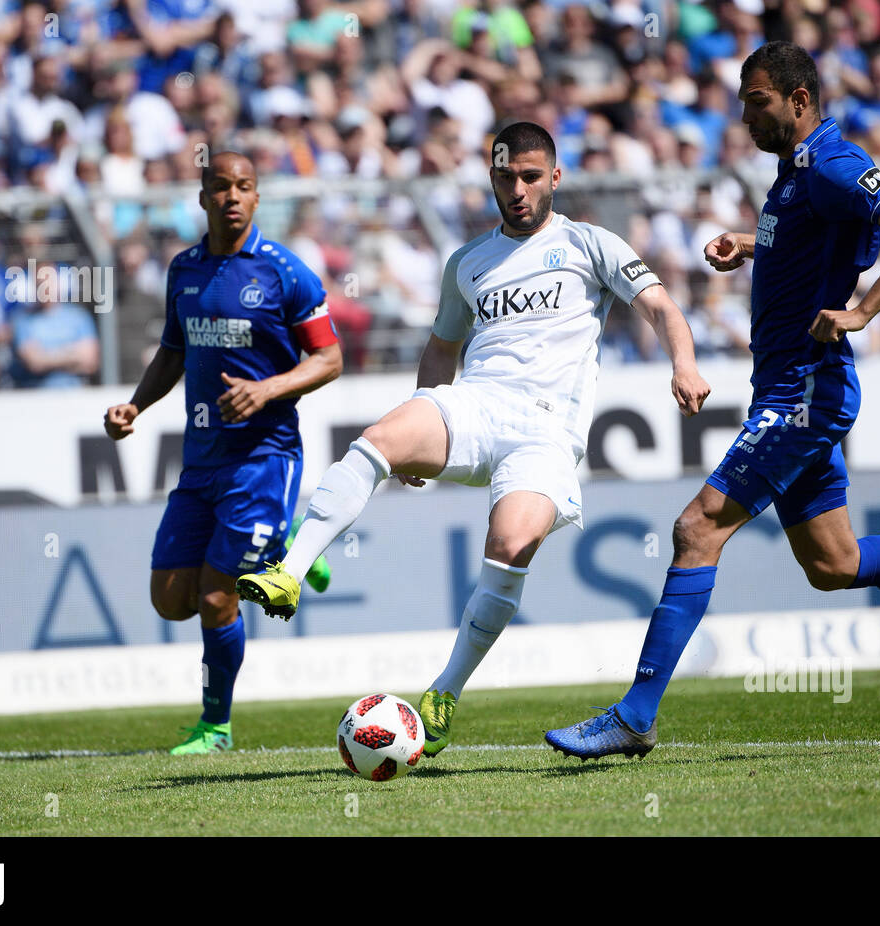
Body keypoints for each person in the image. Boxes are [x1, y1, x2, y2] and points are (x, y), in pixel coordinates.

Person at [544, 42, 880, 761]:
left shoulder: (832, 163)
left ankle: (635, 715)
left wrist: (865, 311)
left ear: (799, 101)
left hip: (806, 388)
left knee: (696, 529)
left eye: (757, 101)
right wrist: (754, 244)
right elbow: (820, 241)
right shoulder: (795, 175)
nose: (744, 116)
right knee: (832, 564)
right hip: (785, 385)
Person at [236, 121, 711, 756]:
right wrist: (424, 414)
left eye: (531, 176)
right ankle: (289, 573)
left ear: (555, 178)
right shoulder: (467, 262)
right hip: (478, 404)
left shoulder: (589, 243)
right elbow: (441, 351)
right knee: (377, 439)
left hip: (546, 430)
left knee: (511, 545)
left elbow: (658, 306)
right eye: (505, 177)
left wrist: (683, 362)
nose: (517, 189)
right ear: (491, 177)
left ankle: (444, 693)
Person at [103, 151, 342, 754]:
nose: (232, 196)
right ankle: (281, 544)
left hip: (264, 458)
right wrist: (135, 405)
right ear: (203, 197)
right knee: (171, 601)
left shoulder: (288, 273)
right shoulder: (184, 270)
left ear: (257, 198)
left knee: (215, 597)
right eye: (220, 187)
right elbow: (173, 352)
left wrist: (267, 389)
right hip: (200, 461)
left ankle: (216, 726)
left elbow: (329, 359)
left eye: (244, 186)